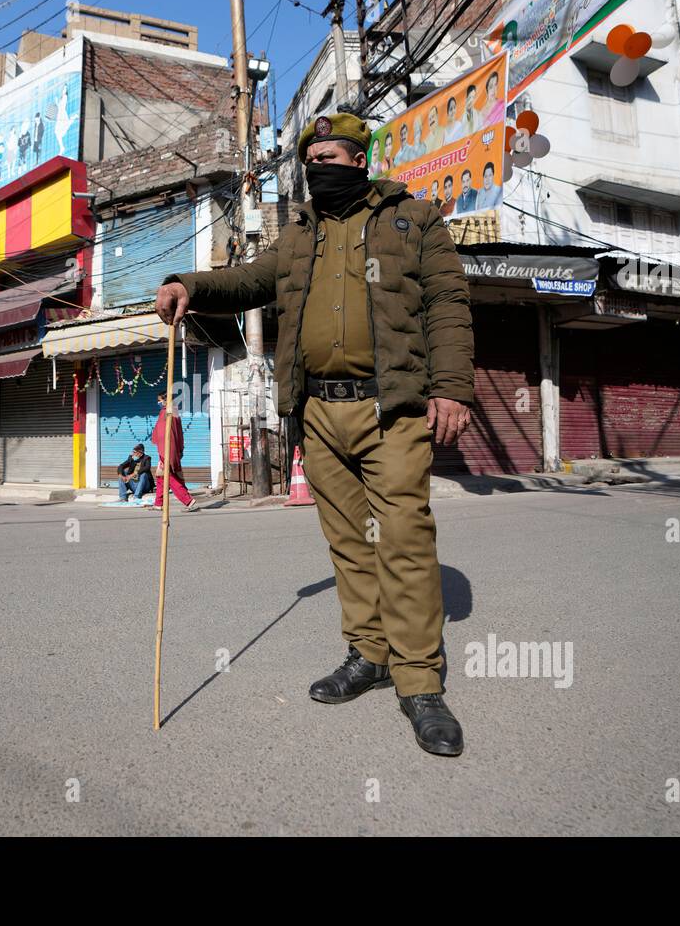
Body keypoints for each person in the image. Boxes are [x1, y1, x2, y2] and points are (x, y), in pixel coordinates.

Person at [156, 112, 474, 757]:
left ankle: (419, 682)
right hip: (318, 413)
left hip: (392, 410)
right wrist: (190, 283)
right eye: (312, 157)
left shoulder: (415, 220)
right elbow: (249, 281)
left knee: (405, 541)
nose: (319, 165)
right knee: (350, 544)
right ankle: (369, 654)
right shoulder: (300, 236)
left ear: (359, 159)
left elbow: (447, 304)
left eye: (331, 155)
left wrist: (451, 389)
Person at [149, 390, 199, 512]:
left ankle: (188, 501)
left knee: (169, 476)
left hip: (167, 450)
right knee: (161, 477)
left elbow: (162, 432)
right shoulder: (174, 412)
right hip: (171, 449)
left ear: (166, 400)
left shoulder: (166, 412)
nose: (158, 402)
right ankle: (158, 503)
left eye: (160, 400)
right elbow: (178, 433)